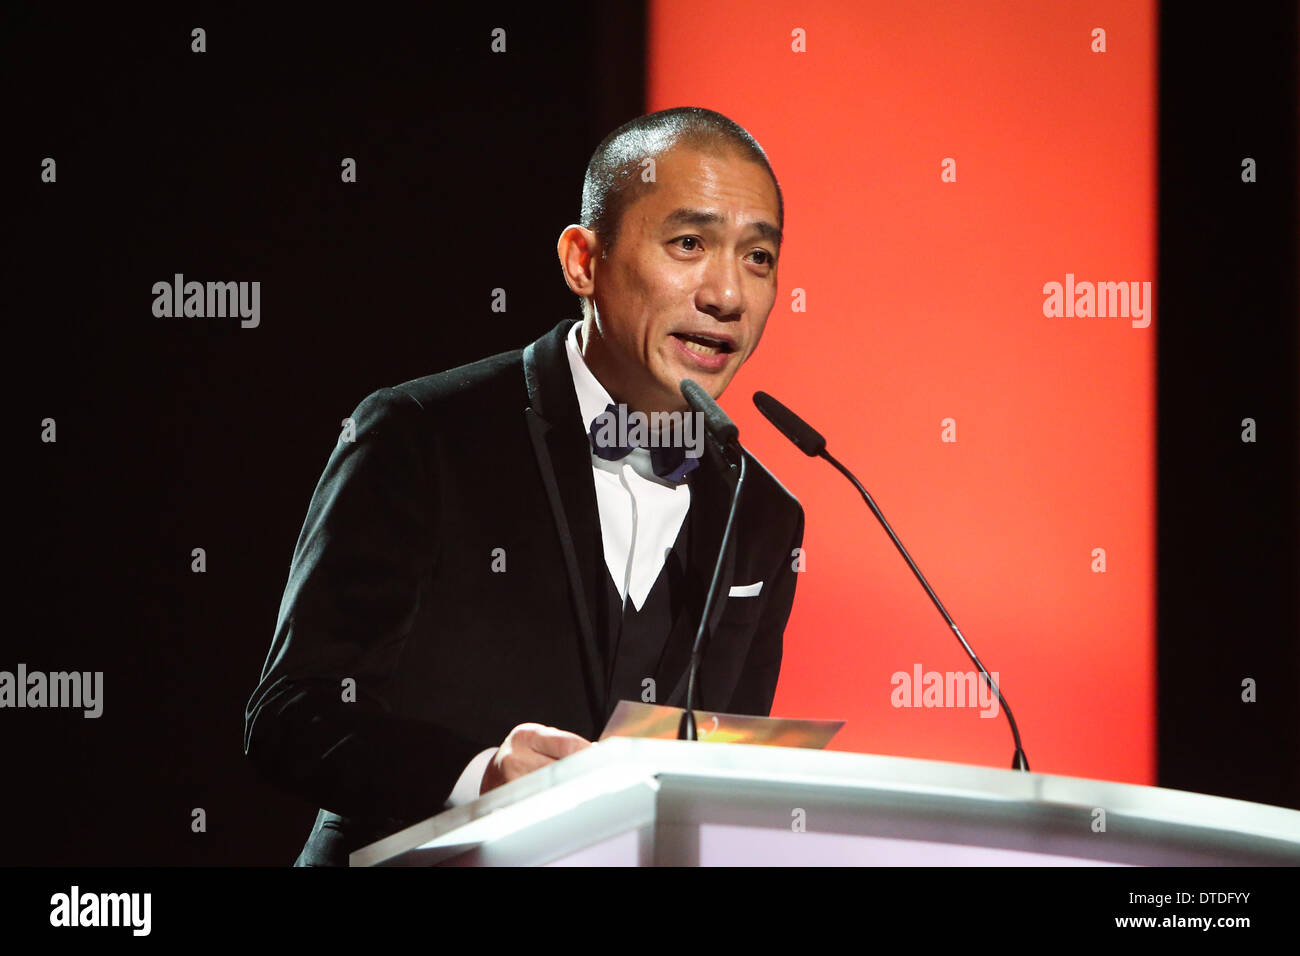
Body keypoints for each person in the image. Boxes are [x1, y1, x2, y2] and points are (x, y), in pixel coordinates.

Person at [243, 106, 805, 866]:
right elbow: (290, 714)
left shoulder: (762, 514)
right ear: (584, 261)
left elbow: (716, 782)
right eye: (689, 243)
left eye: (758, 258)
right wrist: (482, 777)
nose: (727, 294)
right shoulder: (419, 434)